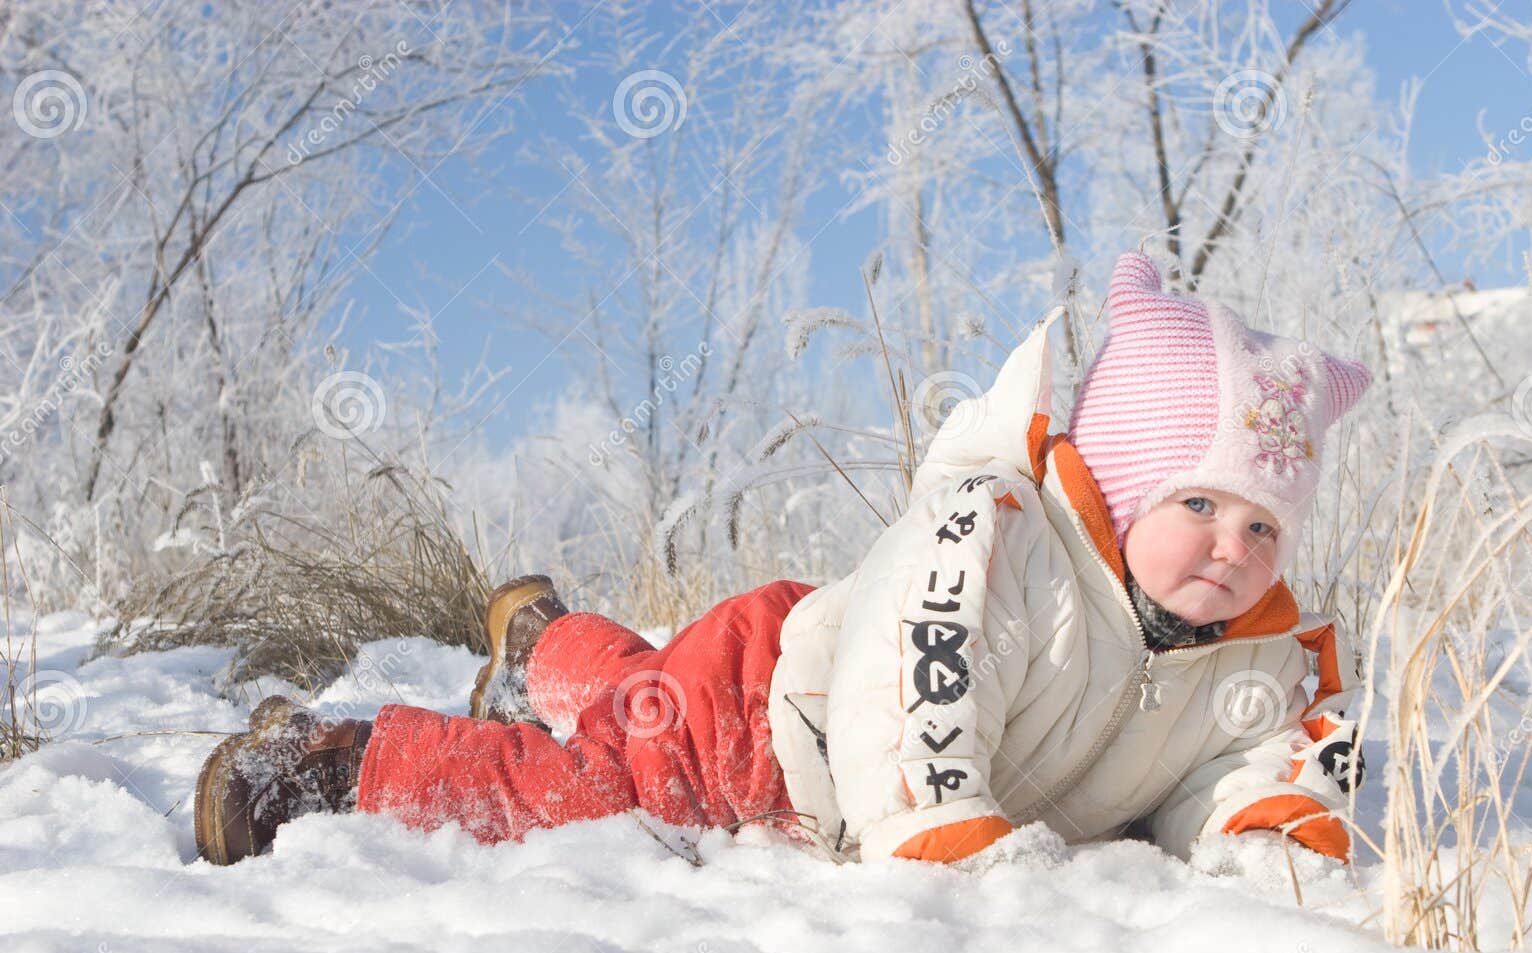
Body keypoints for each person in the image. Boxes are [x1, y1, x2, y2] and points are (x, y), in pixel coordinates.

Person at [193, 251, 1369, 869]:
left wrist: (1264, 821)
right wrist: (940, 823)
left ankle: (541, 642)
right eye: (1199, 502)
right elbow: (925, 681)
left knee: (625, 694)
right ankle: (332, 761)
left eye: (1264, 524)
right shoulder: (1004, 540)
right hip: (770, 714)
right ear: (1113, 487)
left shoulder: (1243, 656)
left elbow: (1237, 760)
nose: (1234, 543)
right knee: (585, 793)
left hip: (763, 671)